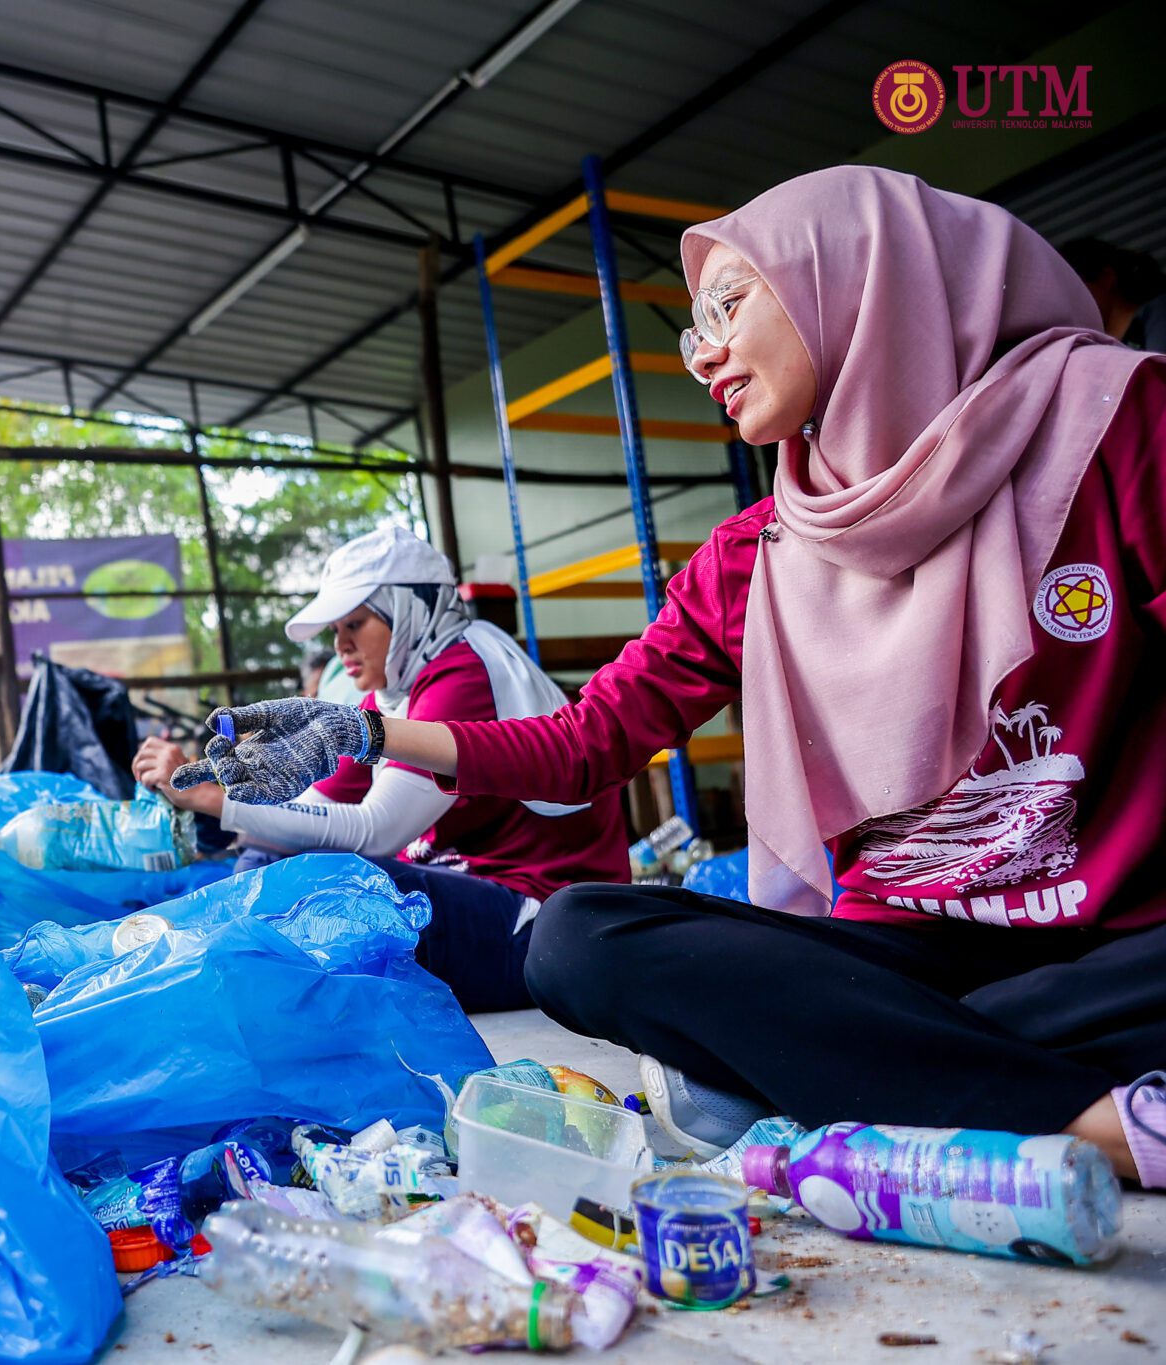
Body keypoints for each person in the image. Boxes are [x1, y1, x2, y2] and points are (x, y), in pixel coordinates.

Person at [172, 167, 1166, 1185]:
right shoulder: (754, 557)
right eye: (692, 328)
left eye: (729, 305)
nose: (703, 353)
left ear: (859, 278)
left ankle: (884, 1069)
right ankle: (1092, 1120)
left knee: (885, 1024)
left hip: (1116, 942)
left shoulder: (1116, 425)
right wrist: (363, 733)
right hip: (902, 952)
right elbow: (585, 745)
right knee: (579, 937)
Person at [134, 526, 627, 1011]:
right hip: (478, 897)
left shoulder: (463, 673)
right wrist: (227, 799)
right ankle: (212, 973)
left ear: (410, 610)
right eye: (336, 630)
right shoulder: (394, 691)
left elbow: (375, 833)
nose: (340, 646)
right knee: (274, 859)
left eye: (356, 624)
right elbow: (314, 810)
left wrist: (222, 804)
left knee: (341, 883)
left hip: (544, 926)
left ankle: (211, 984)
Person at [1058, 238, 1166, 354]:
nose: (1067, 304)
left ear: (1107, 277)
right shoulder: (1101, 344)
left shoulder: (1157, 313)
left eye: (1072, 290)